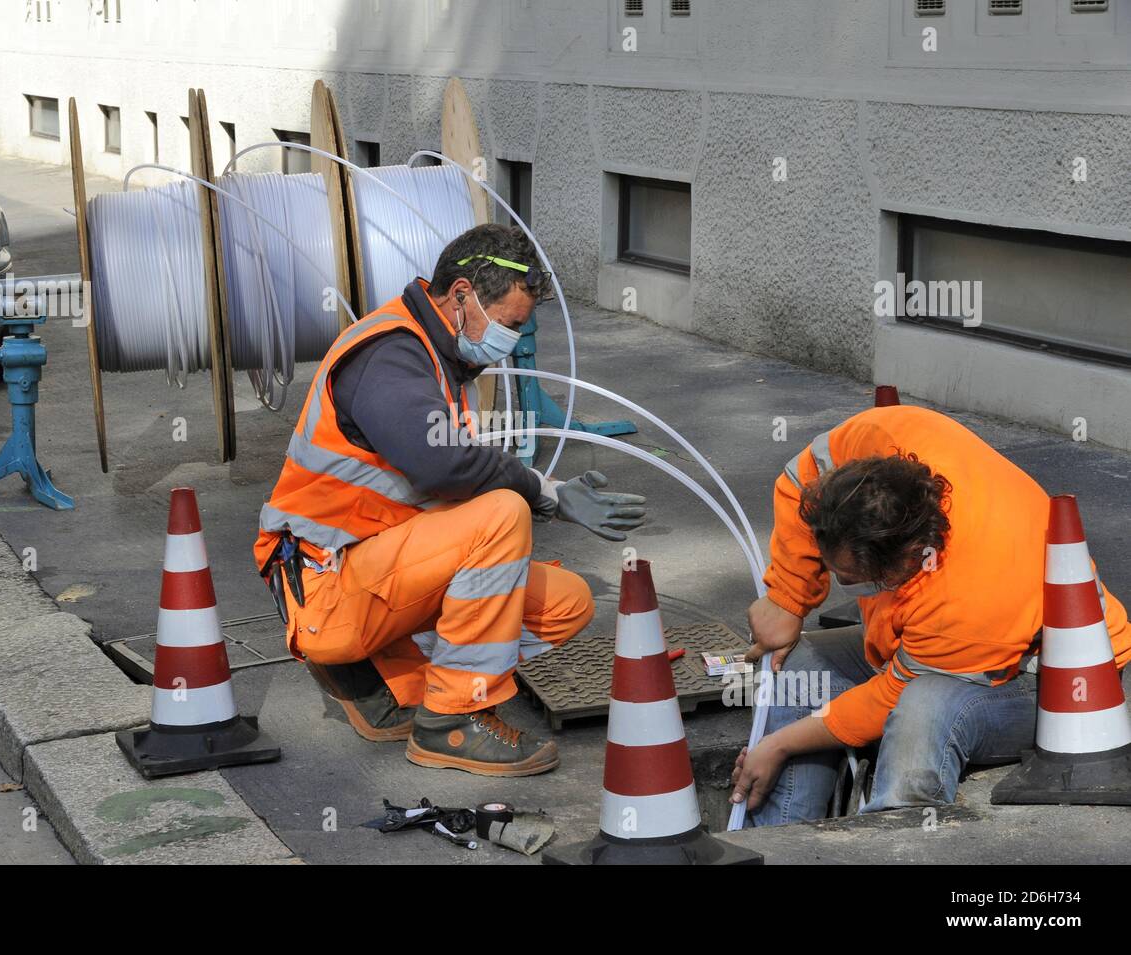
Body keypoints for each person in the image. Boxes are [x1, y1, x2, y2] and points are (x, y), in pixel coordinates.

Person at [255, 223, 647, 777]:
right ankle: (452, 721)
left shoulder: (444, 356)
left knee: (567, 602)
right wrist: (543, 492)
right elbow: (441, 463)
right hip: (324, 587)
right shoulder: (390, 355)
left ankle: (381, 680)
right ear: (461, 296)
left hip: (371, 571)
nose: (514, 340)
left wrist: (544, 491)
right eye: (511, 325)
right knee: (501, 515)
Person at [731, 404, 1130, 823]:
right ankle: (785, 841)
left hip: (1055, 685)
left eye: (850, 578)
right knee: (801, 663)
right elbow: (802, 477)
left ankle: (897, 833)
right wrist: (788, 598)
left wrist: (780, 745)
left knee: (921, 712)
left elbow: (890, 696)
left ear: (907, 558)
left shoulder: (969, 600)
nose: (840, 584)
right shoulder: (885, 436)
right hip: (928, 644)